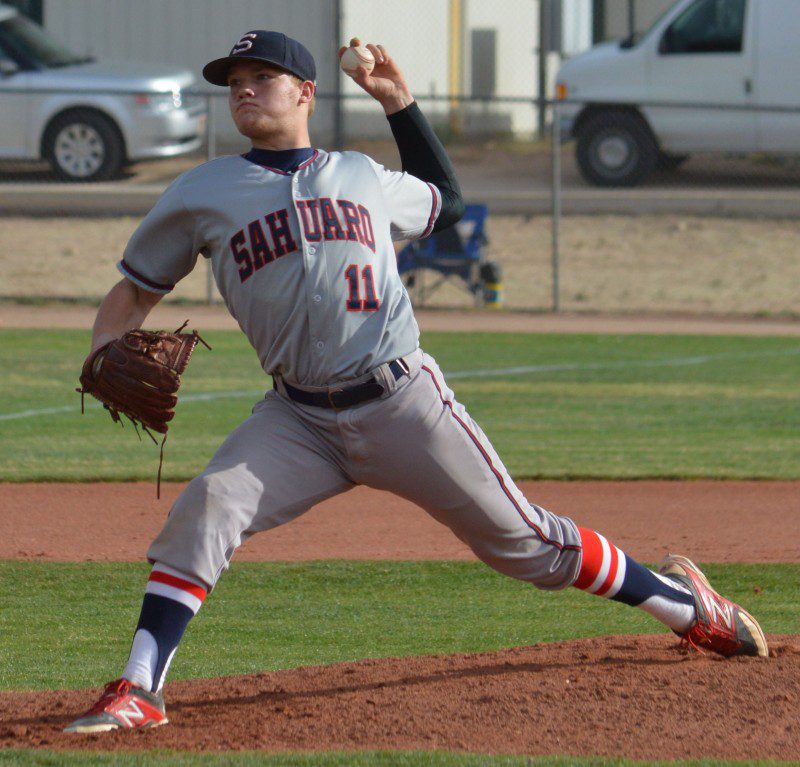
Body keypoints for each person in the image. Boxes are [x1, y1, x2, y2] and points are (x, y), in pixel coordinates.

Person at [65, 31, 767, 733]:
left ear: (306, 92)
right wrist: (101, 348)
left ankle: (684, 605)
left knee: (529, 545)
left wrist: (398, 102)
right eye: (234, 80)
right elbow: (134, 291)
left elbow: (449, 201)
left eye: (263, 75)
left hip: (403, 401)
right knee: (208, 505)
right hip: (297, 419)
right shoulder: (202, 192)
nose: (244, 88)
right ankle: (140, 687)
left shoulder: (362, 175)